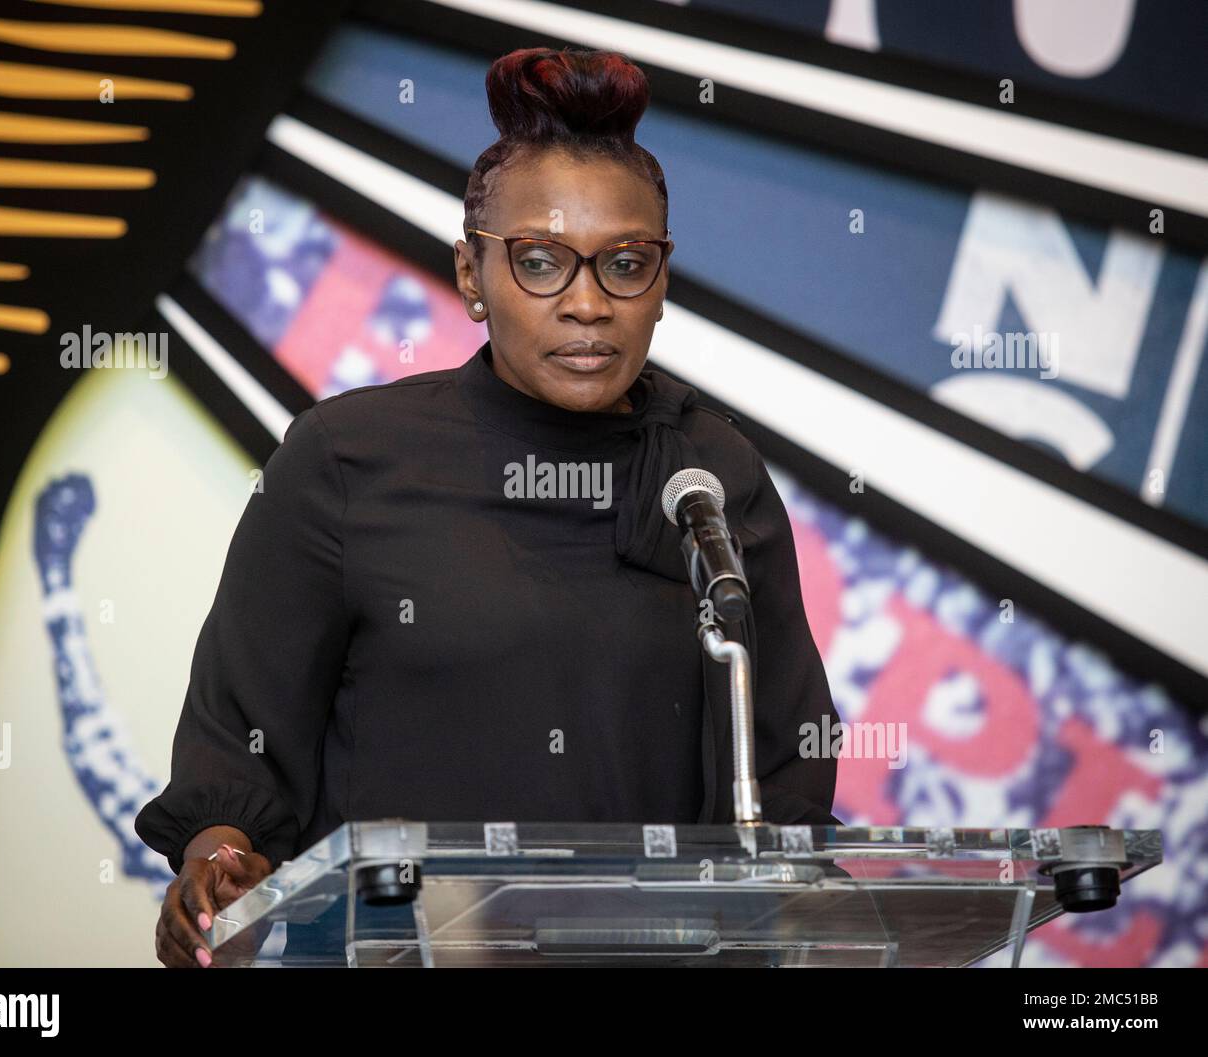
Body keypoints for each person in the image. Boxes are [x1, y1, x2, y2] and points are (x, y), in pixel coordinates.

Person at [138, 45, 840, 968]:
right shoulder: (349, 458)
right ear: (472, 274)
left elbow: (783, 766)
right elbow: (241, 744)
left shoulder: (709, 476)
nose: (588, 303)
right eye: (542, 261)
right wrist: (221, 865)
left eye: (626, 263)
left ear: (661, 282)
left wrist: (772, 907)